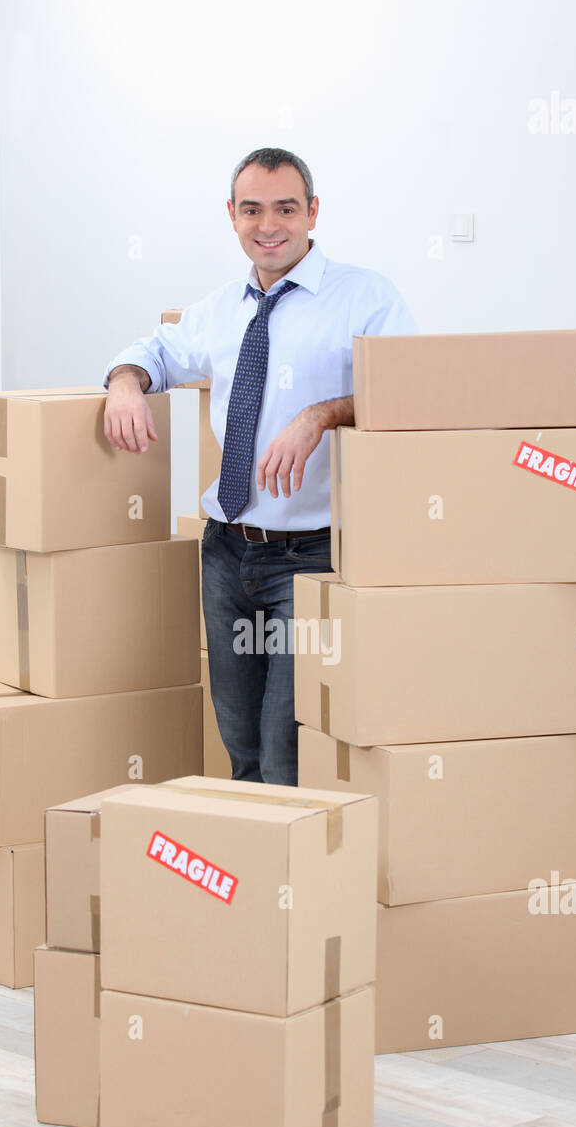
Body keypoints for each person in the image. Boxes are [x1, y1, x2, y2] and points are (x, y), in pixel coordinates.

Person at [103, 146, 416, 785]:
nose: (268, 225)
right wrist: (126, 383)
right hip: (225, 552)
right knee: (240, 748)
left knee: (286, 753)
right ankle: (262, 876)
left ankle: (301, 883)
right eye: (252, 210)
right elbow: (155, 352)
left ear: (313, 213)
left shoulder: (365, 297)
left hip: (311, 557)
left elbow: (411, 392)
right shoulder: (221, 309)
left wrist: (321, 415)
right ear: (232, 215)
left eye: (285, 208)